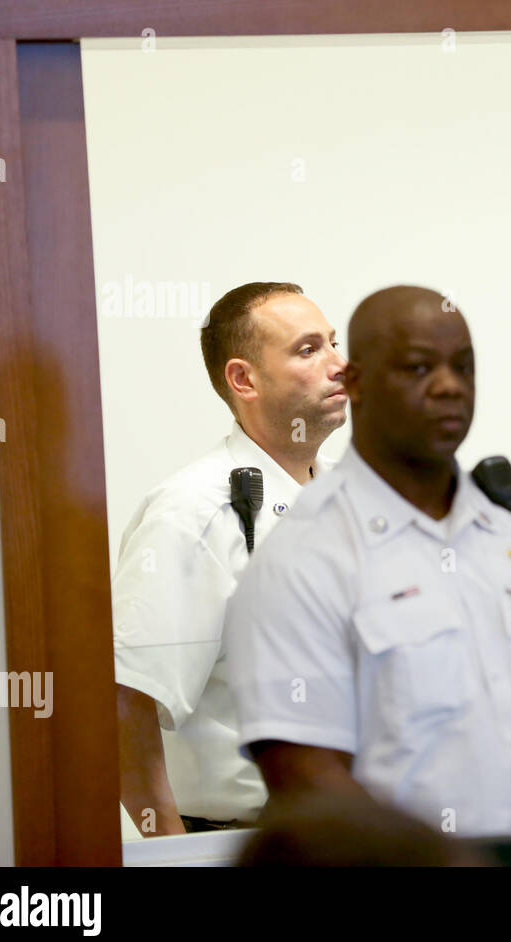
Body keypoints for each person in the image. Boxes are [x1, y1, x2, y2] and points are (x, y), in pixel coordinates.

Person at [224, 285, 511, 837]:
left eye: (463, 367)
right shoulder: (300, 558)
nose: (448, 386)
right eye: (419, 367)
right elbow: (308, 780)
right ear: (357, 384)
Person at [114, 282, 347, 835]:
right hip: (244, 842)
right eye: (309, 349)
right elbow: (125, 704)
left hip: (358, 836)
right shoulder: (192, 510)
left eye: (334, 343)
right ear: (244, 379)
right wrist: (173, 855)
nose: (340, 364)